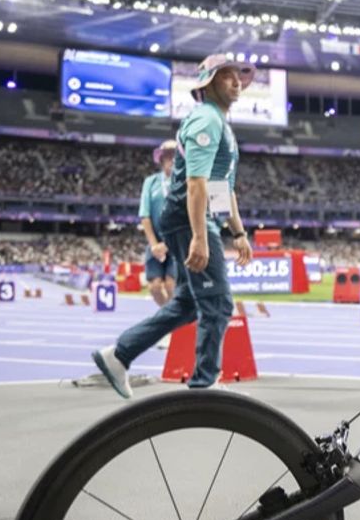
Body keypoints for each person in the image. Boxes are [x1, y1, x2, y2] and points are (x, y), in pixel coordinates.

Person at [93, 54, 255, 397]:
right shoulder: (206, 121)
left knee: (190, 303)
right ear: (208, 84)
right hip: (188, 218)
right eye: (227, 75)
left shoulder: (220, 124)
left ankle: (119, 355)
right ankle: (204, 384)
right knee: (219, 303)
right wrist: (200, 236)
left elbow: (219, 187)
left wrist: (238, 232)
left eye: (238, 75)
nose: (236, 80)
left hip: (193, 217)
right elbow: (197, 184)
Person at [139, 139, 178, 348]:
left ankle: (173, 329)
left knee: (171, 285)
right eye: (167, 156)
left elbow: (184, 216)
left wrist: (168, 244)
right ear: (161, 159)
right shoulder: (151, 182)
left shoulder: (184, 183)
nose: (171, 159)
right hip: (155, 242)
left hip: (176, 242)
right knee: (154, 287)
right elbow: (144, 216)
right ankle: (172, 322)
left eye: (175, 155)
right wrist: (155, 245)